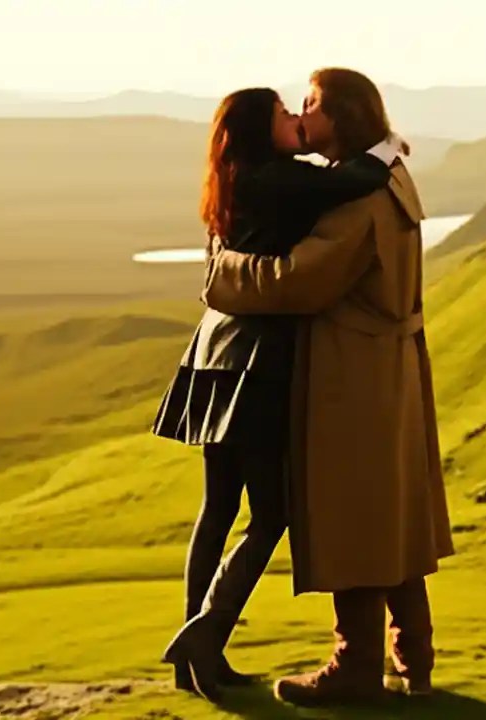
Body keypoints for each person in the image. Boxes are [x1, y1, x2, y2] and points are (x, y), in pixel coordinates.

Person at [201, 68, 456, 707]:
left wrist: (223, 272)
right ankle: (413, 660)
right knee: (394, 515)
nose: (303, 116)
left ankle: (358, 664)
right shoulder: (391, 176)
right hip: (387, 366)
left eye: (310, 105)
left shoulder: (352, 200)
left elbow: (295, 281)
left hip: (353, 374)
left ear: (340, 117)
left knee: (357, 518)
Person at [150, 86, 403, 702]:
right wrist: (390, 146)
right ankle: (204, 639)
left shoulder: (239, 178)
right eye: (285, 114)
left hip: (218, 351)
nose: (295, 118)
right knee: (269, 515)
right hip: (253, 361)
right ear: (264, 131)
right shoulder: (275, 179)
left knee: (218, 511)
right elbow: (354, 180)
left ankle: (195, 660)